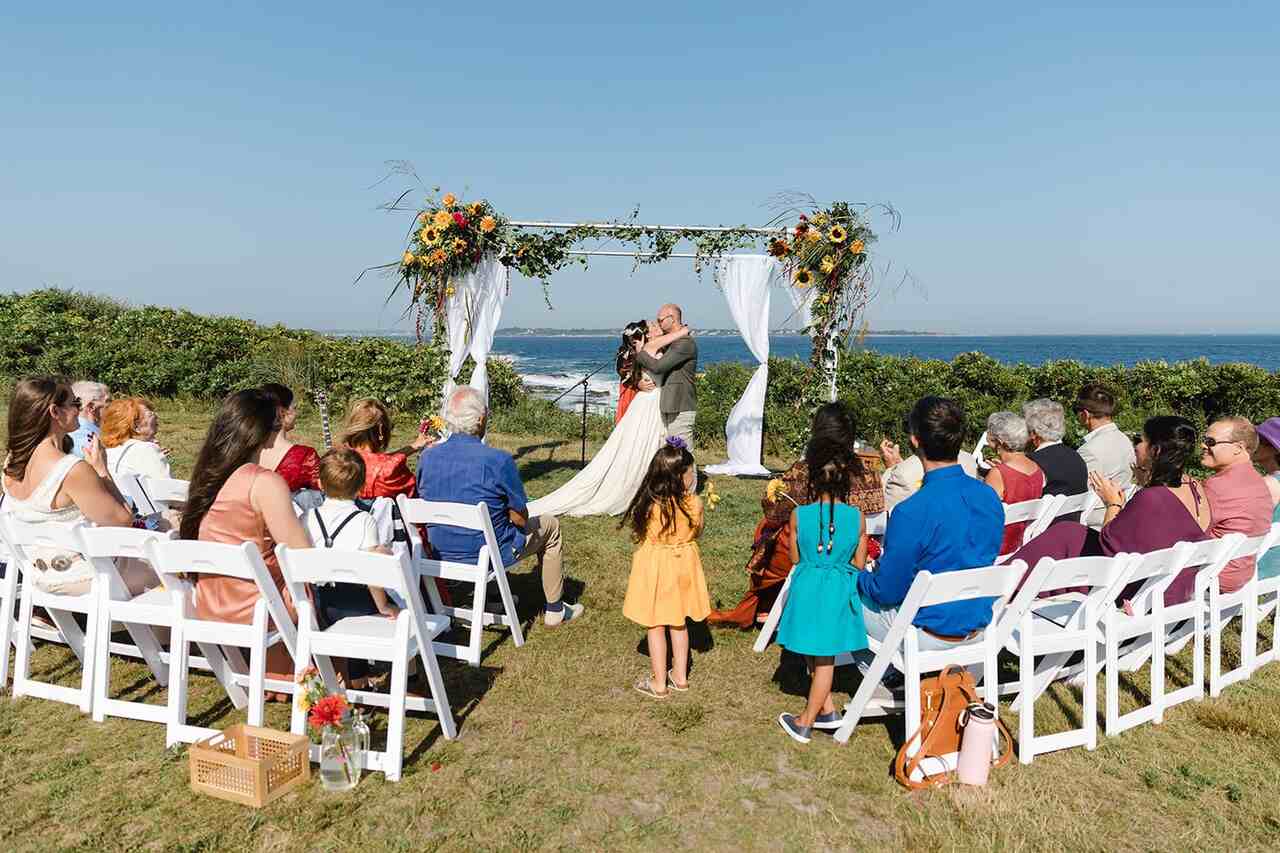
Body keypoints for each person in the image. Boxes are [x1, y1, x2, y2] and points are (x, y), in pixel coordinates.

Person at [180, 389, 313, 690]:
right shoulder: (263, 482)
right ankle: (332, 673)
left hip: (210, 601)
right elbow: (301, 556)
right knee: (314, 582)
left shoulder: (207, 475)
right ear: (267, 432)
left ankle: (278, 670)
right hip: (256, 607)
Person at [418, 386, 584, 626]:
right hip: (486, 552)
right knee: (550, 526)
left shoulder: (427, 457)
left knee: (491, 523)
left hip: (440, 549)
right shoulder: (498, 460)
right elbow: (519, 518)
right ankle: (555, 609)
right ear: (482, 419)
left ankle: (493, 598)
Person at [708, 403, 884, 629]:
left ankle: (768, 602)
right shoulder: (869, 471)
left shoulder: (807, 470)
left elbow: (774, 512)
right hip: (859, 555)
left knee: (770, 529)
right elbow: (878, 509)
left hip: (816, 556)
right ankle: (769, 604)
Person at [1010, 416, 1210, 606]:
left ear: (1155, 451)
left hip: (1132, 594)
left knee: (1065, 536)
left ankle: (1001, 588)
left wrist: (1113, 503)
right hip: (1163, 590)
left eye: (1140, 441)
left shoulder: (1152, 498)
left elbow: (1112, 548)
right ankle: (1009, 587)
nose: (1136, 447)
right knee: (1069, 533)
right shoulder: (1190, 489)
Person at [857, 397, 1004, 652]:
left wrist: (855, 575)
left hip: (925, 631)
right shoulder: (988, 497)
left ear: (915, 440)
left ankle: (881, 677)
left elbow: (886, 592)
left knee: (837, 592)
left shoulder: (912, 510)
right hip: (977, 625)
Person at [528, 320, 688, 518]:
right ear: (647, 334)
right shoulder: (650, 346)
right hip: (648, 402)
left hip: (653, 400)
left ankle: (653, 486)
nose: (658, 327)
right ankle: (639, 487)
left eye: (658, 323)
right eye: (654, 325)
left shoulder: (652, 347)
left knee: (649, 444)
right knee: (639, 446)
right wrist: (684, 330)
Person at [774, 419, 870, 743]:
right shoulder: (856, 517)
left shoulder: (799, 514)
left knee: (815, 651)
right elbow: (859, 562)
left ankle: (806, 722)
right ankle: (827, 709)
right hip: (838, 588)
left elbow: (795, 558)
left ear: (813, 481)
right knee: (824, 652)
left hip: (807, 584)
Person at [2, 377, 135, 595]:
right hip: (84, 578)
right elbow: (123, 521)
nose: (79, 410)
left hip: (38, 577)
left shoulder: (11, 464)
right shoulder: (71, 469)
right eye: (75, 404)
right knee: (177, 574)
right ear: (55, 412)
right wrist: (102, 471)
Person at [304, 448, 400, 689]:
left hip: (319, 601)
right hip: (356, 600)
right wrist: (383, 605)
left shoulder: (306, 517)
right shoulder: (364, 520)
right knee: (387, 607)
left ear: (320, 484)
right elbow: (371, 571)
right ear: (360, 486)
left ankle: (352, 678)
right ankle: (361, 681)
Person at [621, 439, 710, 698]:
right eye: (691, 472)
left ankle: (659, 683)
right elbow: (698, 532)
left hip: (656, 567)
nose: (694, 476)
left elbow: (641, 532)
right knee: (679, 623)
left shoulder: (650, 505)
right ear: (680, 476)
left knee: (656, 624)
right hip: (684, 566)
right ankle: (680, 677)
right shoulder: (695, 503)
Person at [1200, 417, 1273, 593]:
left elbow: (1190, 531)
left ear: (1238, 448)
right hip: (1240, 576)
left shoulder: (1217, 486)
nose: (1203, 446)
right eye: (1204, 440)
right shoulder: (1258, 482)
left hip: (1212, 578)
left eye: (1210, 442)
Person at [879, 415, 979, 513]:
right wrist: (900, 464)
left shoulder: (901, 475)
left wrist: (891, 468)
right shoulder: (969, 460)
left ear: (914, 440)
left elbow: (889, 519)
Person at [339, 398, 430, 500]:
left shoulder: (338, 458)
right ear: (381, 431)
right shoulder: (390, 469)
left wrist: (413, 446)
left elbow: (372, 460)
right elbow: (417, 493)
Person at [634, 303, 698, 450]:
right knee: (673, 453)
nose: (658, 323)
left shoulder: (684, 344)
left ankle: (689, 474)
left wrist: (640, 354)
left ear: (672, 318)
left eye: (660, 320)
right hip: (670, 404)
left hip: (680, 405)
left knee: (682, 453)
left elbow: (658, 367)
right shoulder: (672, 342)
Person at [983, 411, 1045, 556]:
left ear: (1000, 441)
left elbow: (982, 515)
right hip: (1018, 545)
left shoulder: (998, 474)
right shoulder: (1037, 469)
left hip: (996, 547)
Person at [1074, 383, 1135, 527]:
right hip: (1123, 513)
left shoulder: (1088, 451)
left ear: (1085, 415)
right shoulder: (1125, 440)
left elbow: (1081, 497)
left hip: (1097, 522)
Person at [258, 383, 321, 493]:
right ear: (283, 412)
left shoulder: (243, 451)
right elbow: (326, 494)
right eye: (294, 408)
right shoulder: (304, 456)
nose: (297, 413)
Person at [1023, 398, 1088, 499]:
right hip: (1074, 514)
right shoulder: (1076, 456)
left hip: (1046, 514)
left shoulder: (1033, 462)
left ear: (1033, 434)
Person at [101, 396, 171, 485]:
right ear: (136, 427)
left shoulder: (108, 452)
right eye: (151, 414)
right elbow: (167, 489)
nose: (156, 416)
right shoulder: (146, 449)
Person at [1253, 418, 1280, 580]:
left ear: (1273, 449)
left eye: (1259, 440)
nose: (1253, 445)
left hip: (1264, 569)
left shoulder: (1269, 484)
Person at [613, 320, 653, 424]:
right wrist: (636, 383)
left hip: (645, 392)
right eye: (630, 337)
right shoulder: (624, 352)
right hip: (629, 390)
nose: (633, 339)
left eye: (636, 336)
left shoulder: (647, 350)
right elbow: (621, 371)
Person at [68, 380, 111, 458]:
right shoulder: (89, 440)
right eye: (107, 405)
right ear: (91, 407)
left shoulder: (69, 432)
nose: (111, 410)